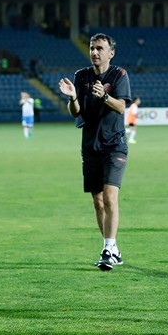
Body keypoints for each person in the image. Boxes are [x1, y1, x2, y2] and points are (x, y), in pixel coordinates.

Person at [58, 33, 132, 271]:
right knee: (98, 201)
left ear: (111, 53)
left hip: (114, 145)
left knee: (110, 197)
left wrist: (105, 96)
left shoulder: (119, 75)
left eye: (100, 48)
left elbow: (121, 107)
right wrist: (72, 98)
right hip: (90, 145)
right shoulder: (81, 76)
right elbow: (76, 111)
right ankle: (112, 248)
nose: (94, 52)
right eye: (92, 48)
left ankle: (108, 250)